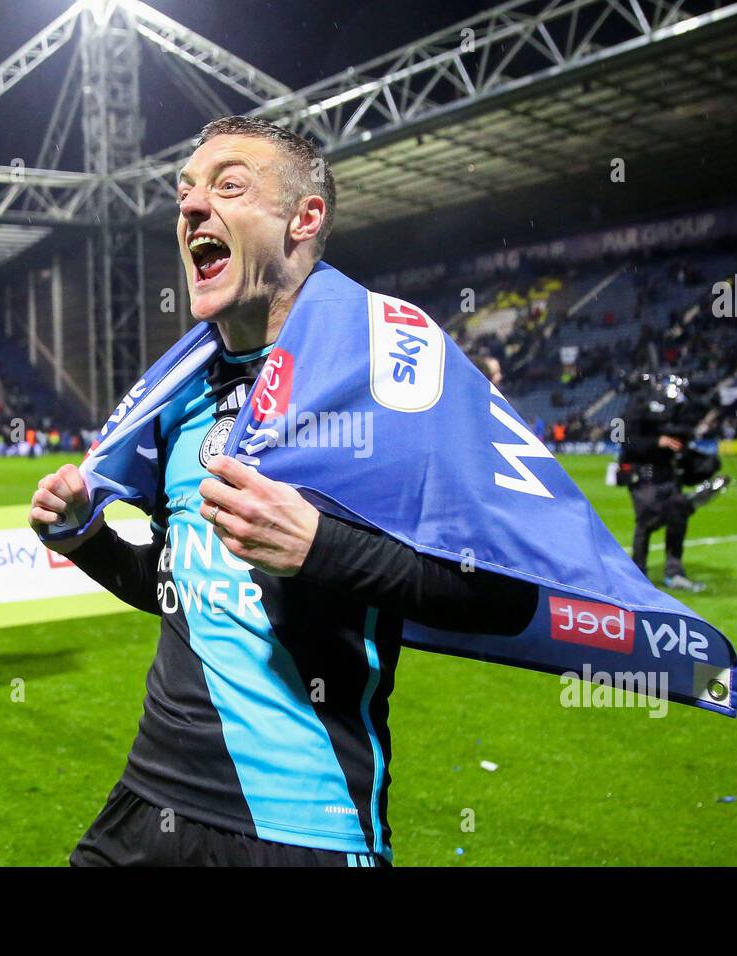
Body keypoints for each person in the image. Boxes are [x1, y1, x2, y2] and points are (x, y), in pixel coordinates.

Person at [29, 116, 538, 867]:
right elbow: (178, 594)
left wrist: (317, 546)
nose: (193, 207)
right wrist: (84, 538)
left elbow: (503, 596)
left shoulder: (393, 379)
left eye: (229, 186)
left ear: (305, 218)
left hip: (302, 825)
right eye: (185, 193)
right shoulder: (179, 393)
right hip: (148, 803)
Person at [617, 373, 712, 591]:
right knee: (647, 521)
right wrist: (656, 442)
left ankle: (674, 572)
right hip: (644, 477)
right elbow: (626, 443)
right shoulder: (636, 408)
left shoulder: (674, 415)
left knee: (678, 518)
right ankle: (637, 573)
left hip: (669, 476)